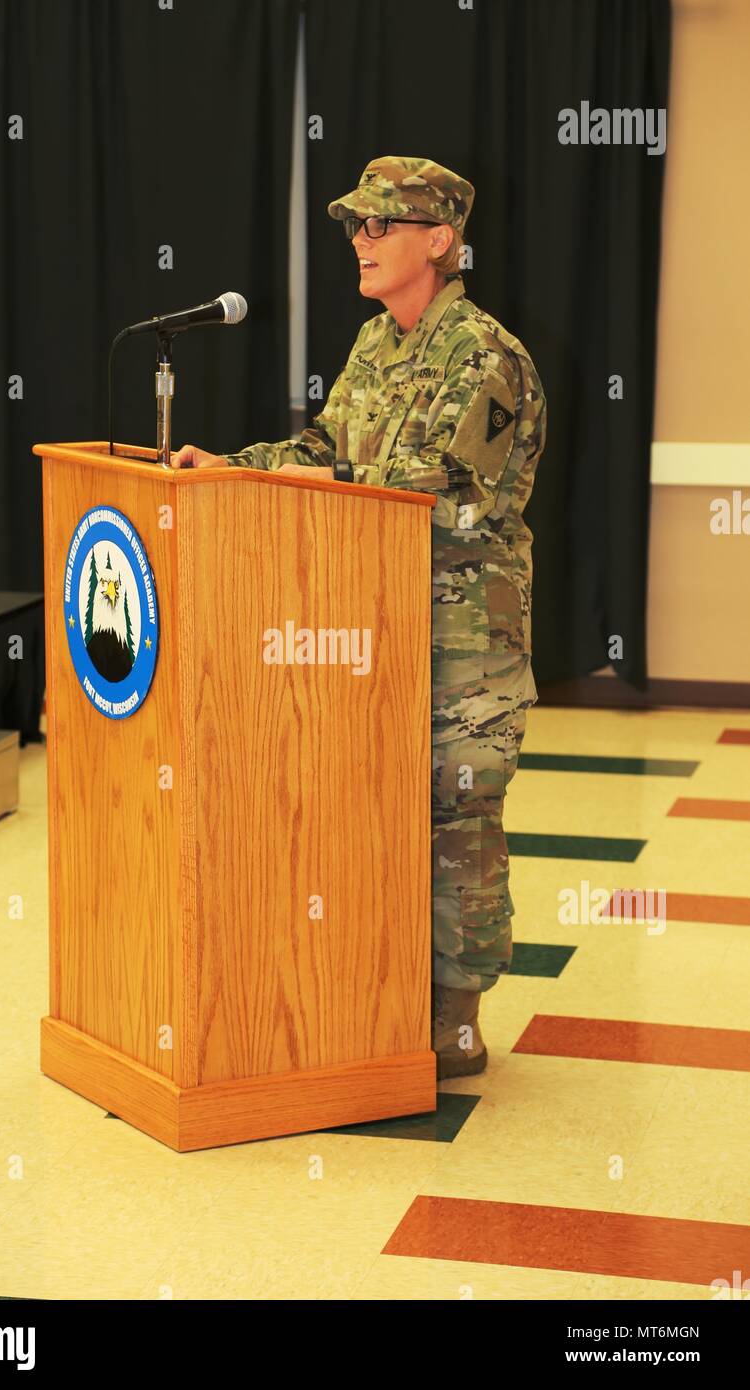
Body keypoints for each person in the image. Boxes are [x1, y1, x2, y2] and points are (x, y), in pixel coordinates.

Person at [171, 156, 547, 1080]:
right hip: (364, 625)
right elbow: (320, 449)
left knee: (455, 820)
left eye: (382, 225)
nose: (361, 241)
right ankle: (372, 992)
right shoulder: (375, 346)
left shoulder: (487, 357)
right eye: (356, 226)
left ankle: (456, 1012)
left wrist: (328, 480)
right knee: (368, 812)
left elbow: (458, 496)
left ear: (441, 241)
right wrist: (236, 466)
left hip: (462, 641)